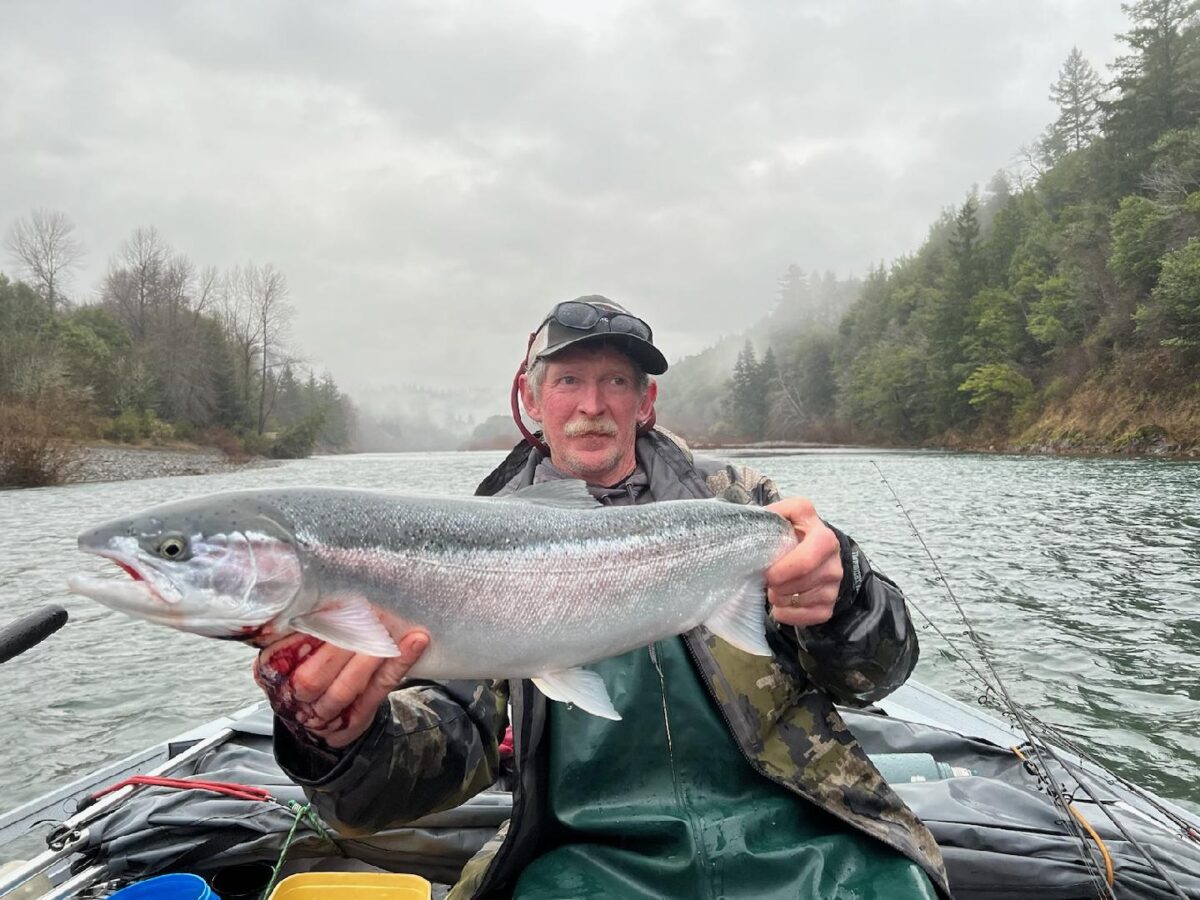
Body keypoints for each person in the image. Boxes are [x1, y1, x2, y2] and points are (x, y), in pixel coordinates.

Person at [255, 295, 951, 899]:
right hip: (587, 853)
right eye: (569, 381)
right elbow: (444, 748)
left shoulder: (745, 503)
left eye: (616, 380)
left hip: (801, 825)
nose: (592, 405)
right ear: (532, 398)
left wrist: (846, 592)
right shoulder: (470, 545)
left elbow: (875, 676)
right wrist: (340, 742)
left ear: (644, 401)